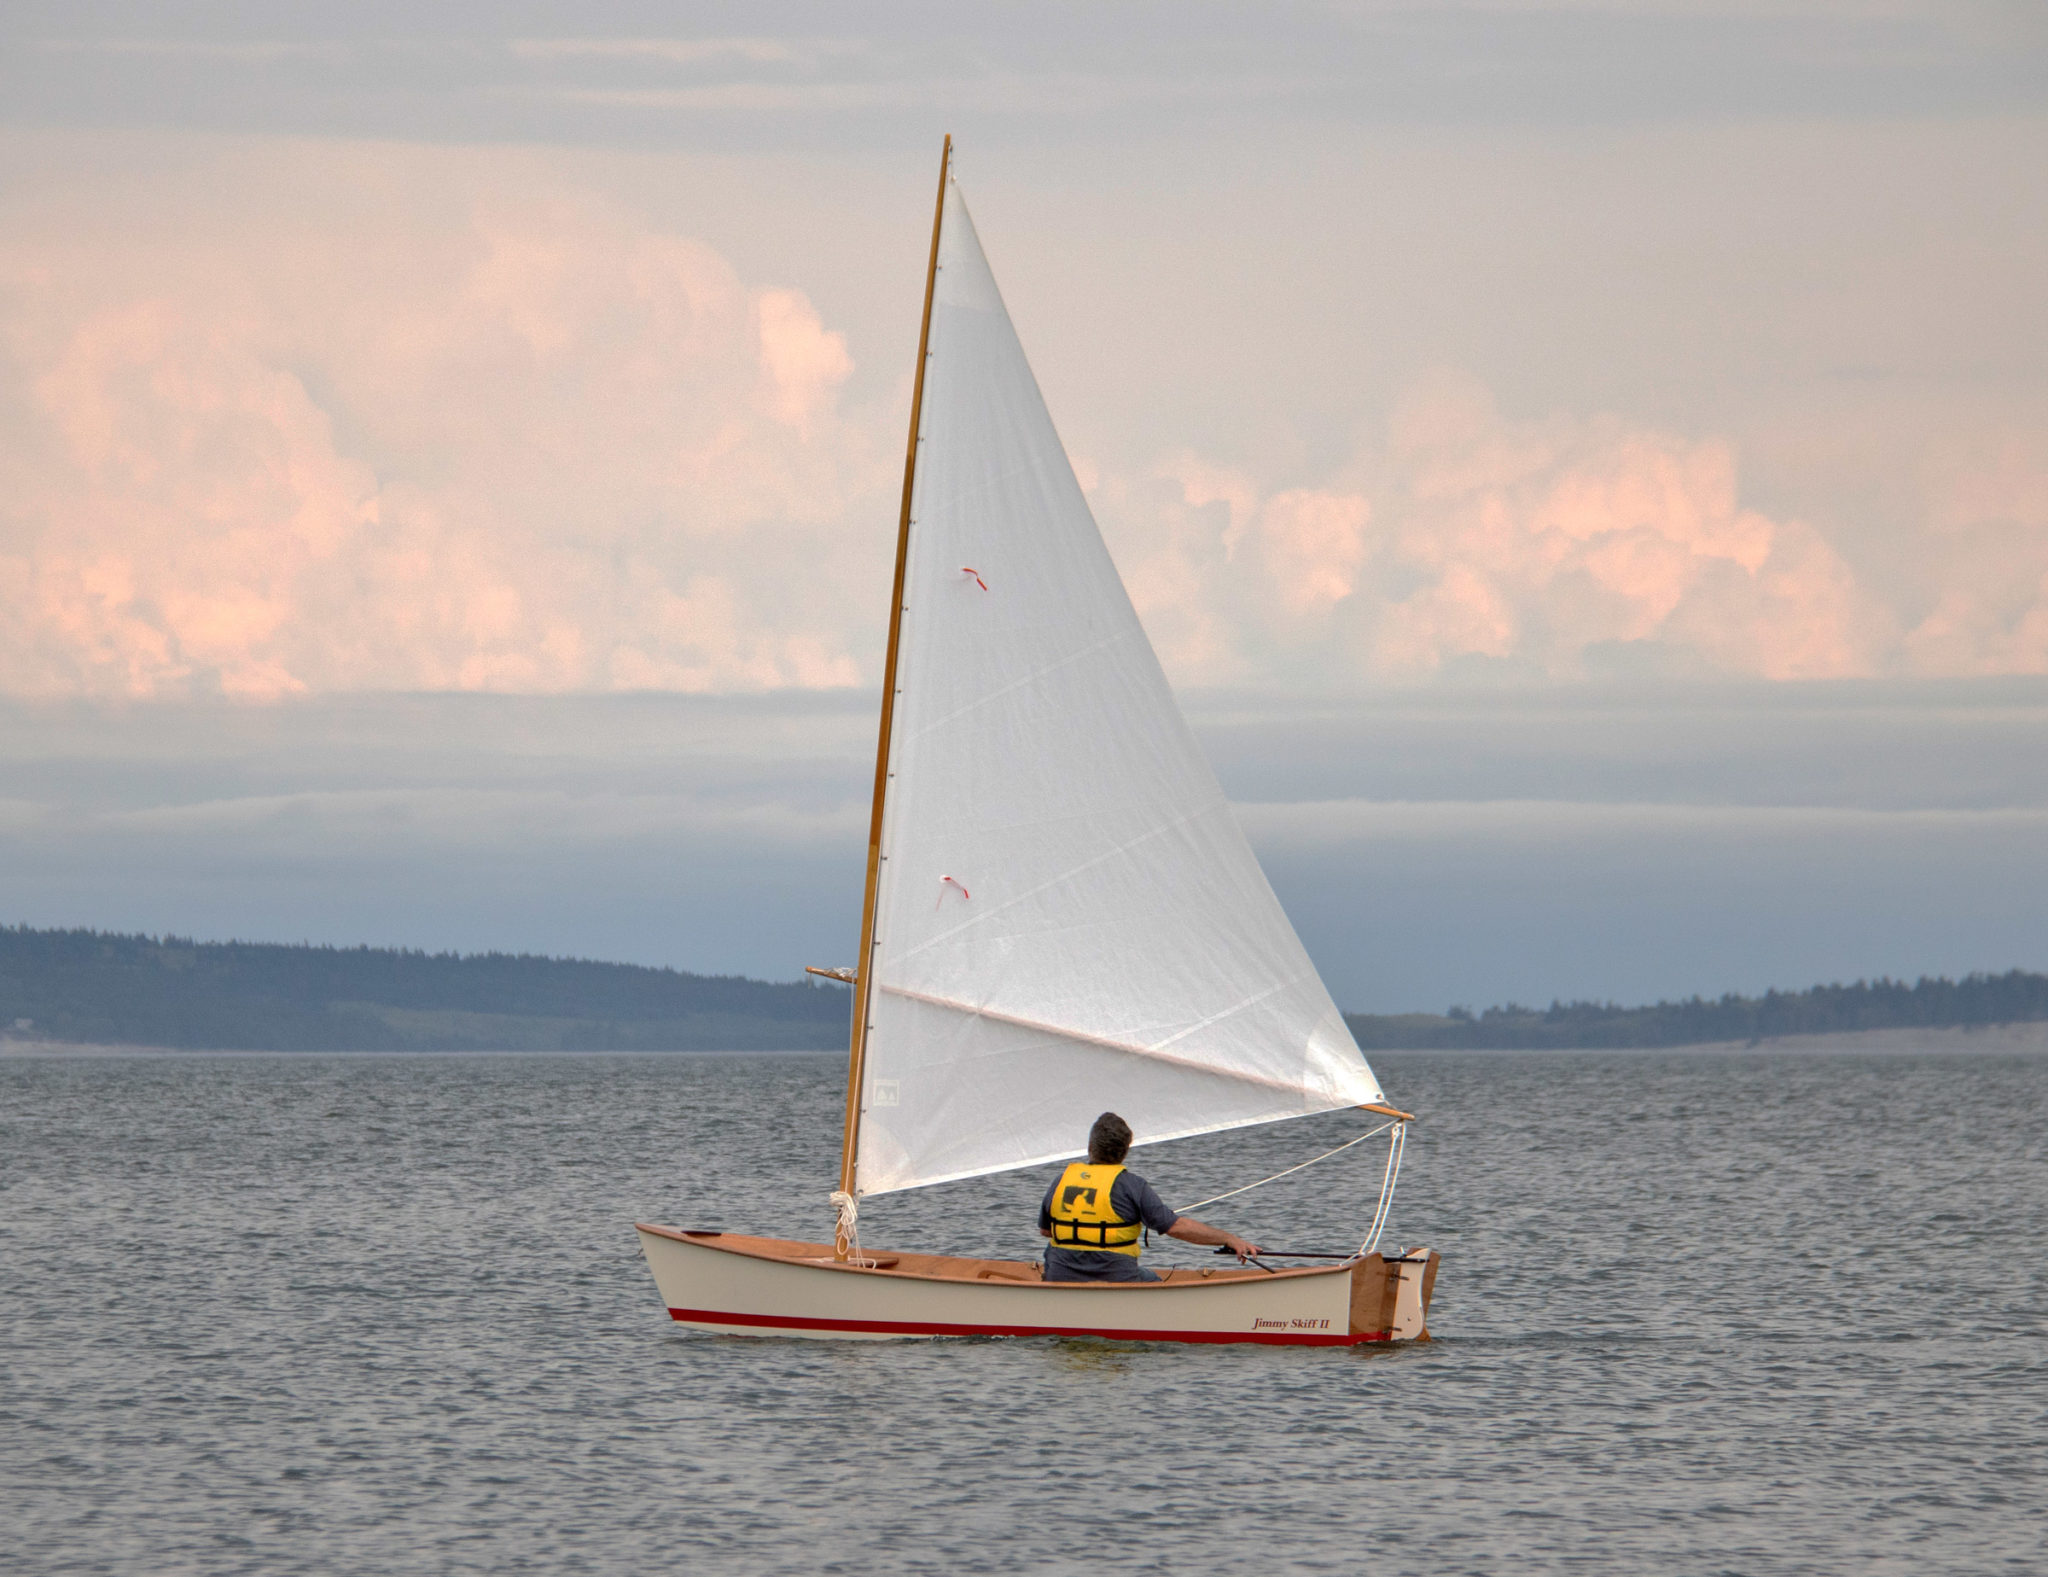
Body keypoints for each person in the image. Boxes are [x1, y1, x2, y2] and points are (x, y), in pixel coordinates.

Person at [1038, 1111, 1261, 1283]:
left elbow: (1046, 1230)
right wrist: (1229, 1239)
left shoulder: (1061, 1181)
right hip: (1117, 1279)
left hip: (1062, 1277)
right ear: (1125, 1151)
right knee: (1154, 1280)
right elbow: (1176, 1227)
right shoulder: (1132, 1185)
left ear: (1090, 1147)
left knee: (1053, 1251)